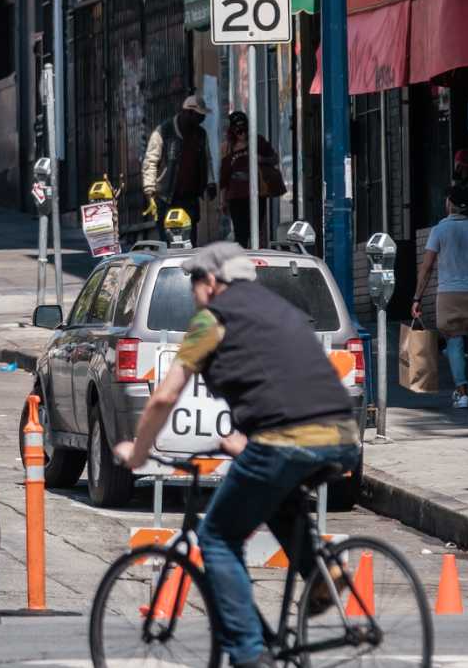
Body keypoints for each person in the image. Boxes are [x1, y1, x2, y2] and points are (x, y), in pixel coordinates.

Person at [113, 242, 358, 668]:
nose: (193, 296)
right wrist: (243, 440)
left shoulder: (212, 320)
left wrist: (138, 452)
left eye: (194, 286)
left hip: (288, 439)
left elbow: (163, 397)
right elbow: (279, 381)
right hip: (342, 436)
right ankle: (323, 571)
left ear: (211, 283)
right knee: (278, 501)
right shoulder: (283, 311)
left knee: (217, 538)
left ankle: (249, 654)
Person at [412, 189, 468, 409]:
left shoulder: (439, 230)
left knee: (453, 340)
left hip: (448, 296)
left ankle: (462, 391)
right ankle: (461, 360)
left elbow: (426, 268)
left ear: (449, 204)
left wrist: (417, 298)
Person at [140, 95, 214, 231]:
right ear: (189, 113)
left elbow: (206, 159)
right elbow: (151, 161)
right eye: (200, 115)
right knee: (167, 241)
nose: (202, 119)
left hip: (190, 198)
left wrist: (210, 182)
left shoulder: (201, 134)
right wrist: (149, 189)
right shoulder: (163, 131)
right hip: (166, 198)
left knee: (189, 242)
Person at [216, 111, 283, 246]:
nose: (242, 134)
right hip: (236, 197)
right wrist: (223, 200)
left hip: (256, 194)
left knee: (256, 232)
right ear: (232, 131)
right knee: (241, 234)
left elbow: (275, 158)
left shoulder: (257, 141)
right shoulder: (227, 147)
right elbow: (224, 177)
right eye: (238, 130)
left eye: (244, 130)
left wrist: (261, 159)